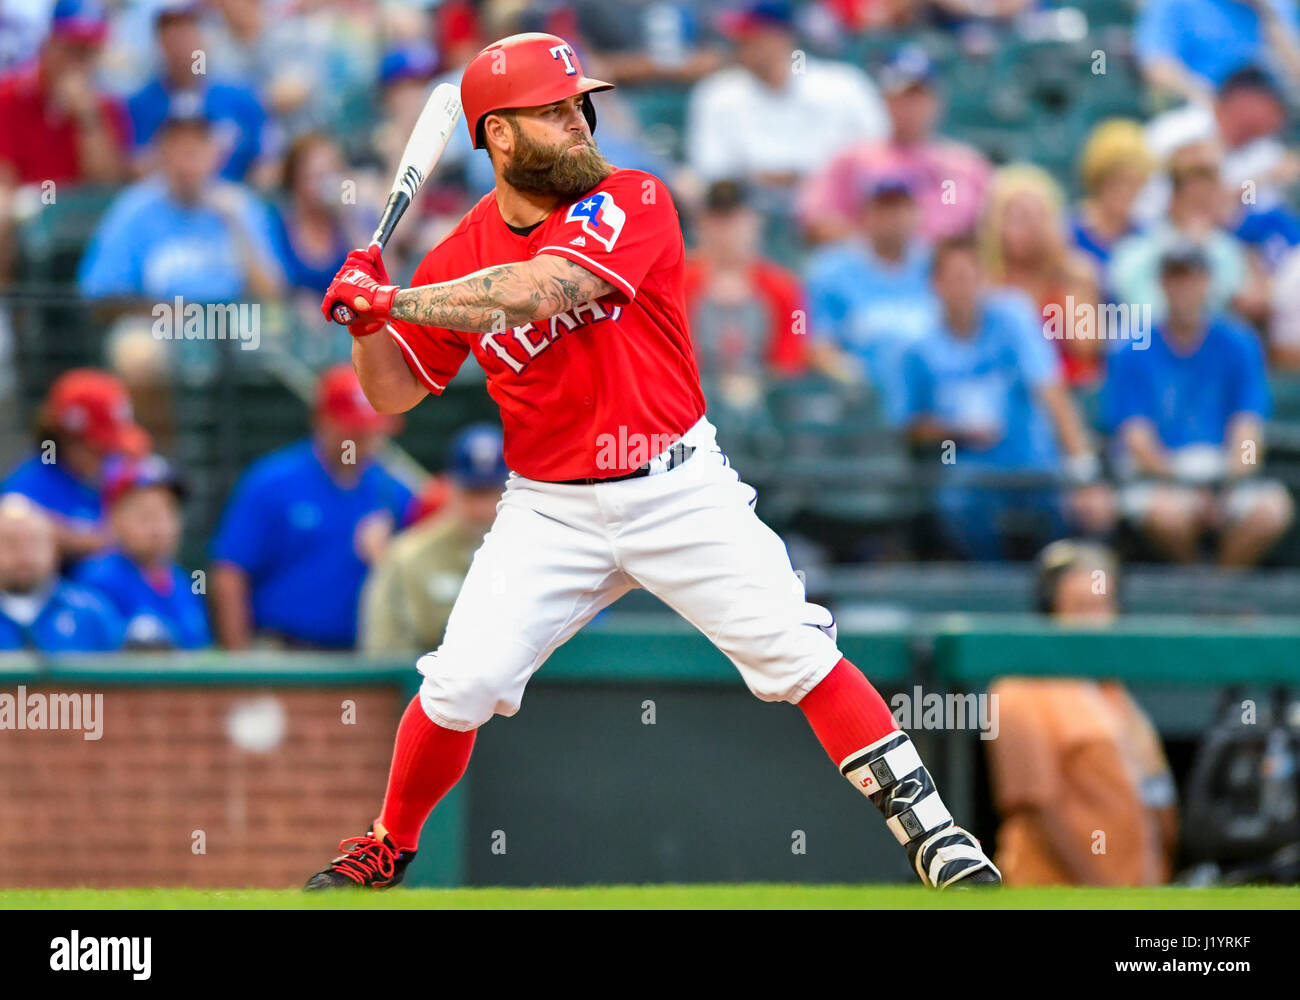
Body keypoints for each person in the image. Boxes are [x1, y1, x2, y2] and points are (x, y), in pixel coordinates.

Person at [306, 31, 1000, 891]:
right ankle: (387, 845)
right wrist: (369, 325)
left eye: (578, 104)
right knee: (462, 681)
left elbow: (545, 287)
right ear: (499, 138)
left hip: (676, 485)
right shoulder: (460, 254)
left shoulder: (630, 197)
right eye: (553, 112)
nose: (579, 121)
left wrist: (396, 294)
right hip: (549, 505)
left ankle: (939, 839)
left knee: (792, 651)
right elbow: (393, 395)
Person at [899, 235, 1113, 560]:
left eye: (972, 277)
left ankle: (1049, 580)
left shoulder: (1013, 318)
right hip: (967, 470)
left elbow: (1051, 391)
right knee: (956, 505)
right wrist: (955, 431)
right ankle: (993, 585)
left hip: (1032, 463)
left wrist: (1083, 472)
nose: (965, 287)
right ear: (936, 284)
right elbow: (912, 426)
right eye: (956, 278)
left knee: (1069, 510)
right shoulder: (919, 347)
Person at [986, 540, 1179, 886]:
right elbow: (1036, 806)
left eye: (1102, 606)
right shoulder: (1018, 689)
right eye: (1080, 608)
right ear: (1050, 612)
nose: (1095, 621)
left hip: (1136, 890)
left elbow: (1155, 792)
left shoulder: (1113, 692)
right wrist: (1098, 894)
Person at [1104, 243, 1293, 566]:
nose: (1184, 288)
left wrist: (1226, 485)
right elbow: (1137, 439)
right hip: (1160, 473)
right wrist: (1187, 487)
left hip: (1221, 467)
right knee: (1165, 516)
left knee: (1273, 509)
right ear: (1162, 283)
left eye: (1192, 278)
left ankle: (1218, 588)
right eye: (1176, 278)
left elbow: (1247, 431)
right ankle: (1197, 585)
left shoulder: (1239, 344)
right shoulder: (1132, 349)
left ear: (1207, 283)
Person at [209, 364, 414, 651]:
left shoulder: (394, 491)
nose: (366, 443)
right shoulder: (272, 481)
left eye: (373, 432)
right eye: (355, 432)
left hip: (362, 657)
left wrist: (386, 556)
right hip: (281, 652)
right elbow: (230, 574)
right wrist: (241, 664)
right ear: (323, 420)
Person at [78, 99, 283, 304]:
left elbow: (274, 295)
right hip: (158, 327)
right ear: (160, 152)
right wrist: (161, 314)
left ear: (216, 153)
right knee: (135, 337)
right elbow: (100, 294)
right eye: (177, 144)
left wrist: (236, 226)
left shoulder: (242, 206)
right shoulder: (133, 209)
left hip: (234, 327)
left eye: (198, 144)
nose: (188, 155)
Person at [796, 45, 991, 245]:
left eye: (917, 97)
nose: (909, 108)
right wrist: (886, 250)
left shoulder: (965, 165)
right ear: (885, 100)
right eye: (900, 97)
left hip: (947, 270)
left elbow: (993, 229)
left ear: (936, 101)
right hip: (871, 270)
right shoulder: (852, 159)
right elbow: (817, 222)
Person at [685, 0, 887, 189]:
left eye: (752, 36)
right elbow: (710, 170)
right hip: (749, 204)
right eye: (739, 38)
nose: (740, 45)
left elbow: (877, 153)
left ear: (782, 36)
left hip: (830, 202)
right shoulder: (717, 92)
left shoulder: (844, 84)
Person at [360, 425, 508, 655]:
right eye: (472, 492)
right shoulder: (409, 555)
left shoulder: (538, 553)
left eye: (491, 492)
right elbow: (384, 650)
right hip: (428, 684)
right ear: (451, 488)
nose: (482, 508)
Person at [804, 169, 936, 422]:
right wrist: (853, 377)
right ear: (865, 214)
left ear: (916, 213)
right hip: (859, 409)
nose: (892, 218)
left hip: (931, 406)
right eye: (883, 208)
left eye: (900, 208)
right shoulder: (832, 270)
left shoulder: (935, 266)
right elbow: (818, 347)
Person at [681, 179, 807, 415]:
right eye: (719, 219)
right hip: (692, 402)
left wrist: (761, 387)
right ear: (703, 223)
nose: (728, 229)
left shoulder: (784, 287)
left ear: (755, 222)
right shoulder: (679, 283)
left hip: (770, 406)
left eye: (736, 218)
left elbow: (792, 354)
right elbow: (673, 353)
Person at [0, 368, 149, 562]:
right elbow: (12, 520)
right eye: (98, 447)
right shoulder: (32, 482)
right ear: (65, 437)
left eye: (112, 447)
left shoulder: (118, 470)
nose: (107, 455)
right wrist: (94, 539)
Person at [71, 454, 210, 650]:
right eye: (146, 515)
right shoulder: (97, 579)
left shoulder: (182, 581)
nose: (159, 526)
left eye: (168, 512)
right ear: (114, 518)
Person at [980, 164, 1102, 387]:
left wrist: (1059, 269)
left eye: (1040, 217)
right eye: (1020, 218)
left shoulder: (1076, 273)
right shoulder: (987, 283)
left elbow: (1084, 347)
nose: (1032, 227)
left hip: (1069, 389)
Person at [126, 1, 267, 182]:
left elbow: (265, 161)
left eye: (187, 31)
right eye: (170, 33)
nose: (179, 42)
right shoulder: (141, 104)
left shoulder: (240, 97)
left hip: (231, 197)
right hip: (169, 201)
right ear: (159, 42)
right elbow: (135, 166)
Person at [0, 0, 131, 188]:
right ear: (48, 44)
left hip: (78, 215)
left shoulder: (107, 107)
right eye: (72, 49)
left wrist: (88, 120)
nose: (79, 61)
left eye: (88, 52)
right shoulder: (8, 97)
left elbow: (106, 186)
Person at [0, 493, 123, 652]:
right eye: (10, 543)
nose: (24, 553)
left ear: (54, 549)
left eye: (34, 542)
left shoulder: (91, 612)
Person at [1134, 0, 1300, 104]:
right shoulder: (1174, 4)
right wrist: (1212, 102)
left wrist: (1268, 15)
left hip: (1274, 111)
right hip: (1202, 112)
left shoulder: (1279, 6)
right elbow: (1157, 66)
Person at [1070, 120, 1154, 282]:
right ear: (1097, 180)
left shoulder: (1146, 237)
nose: (1124, 191)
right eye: (1116, 181)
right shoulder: (1069, 232)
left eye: (1132, 183)